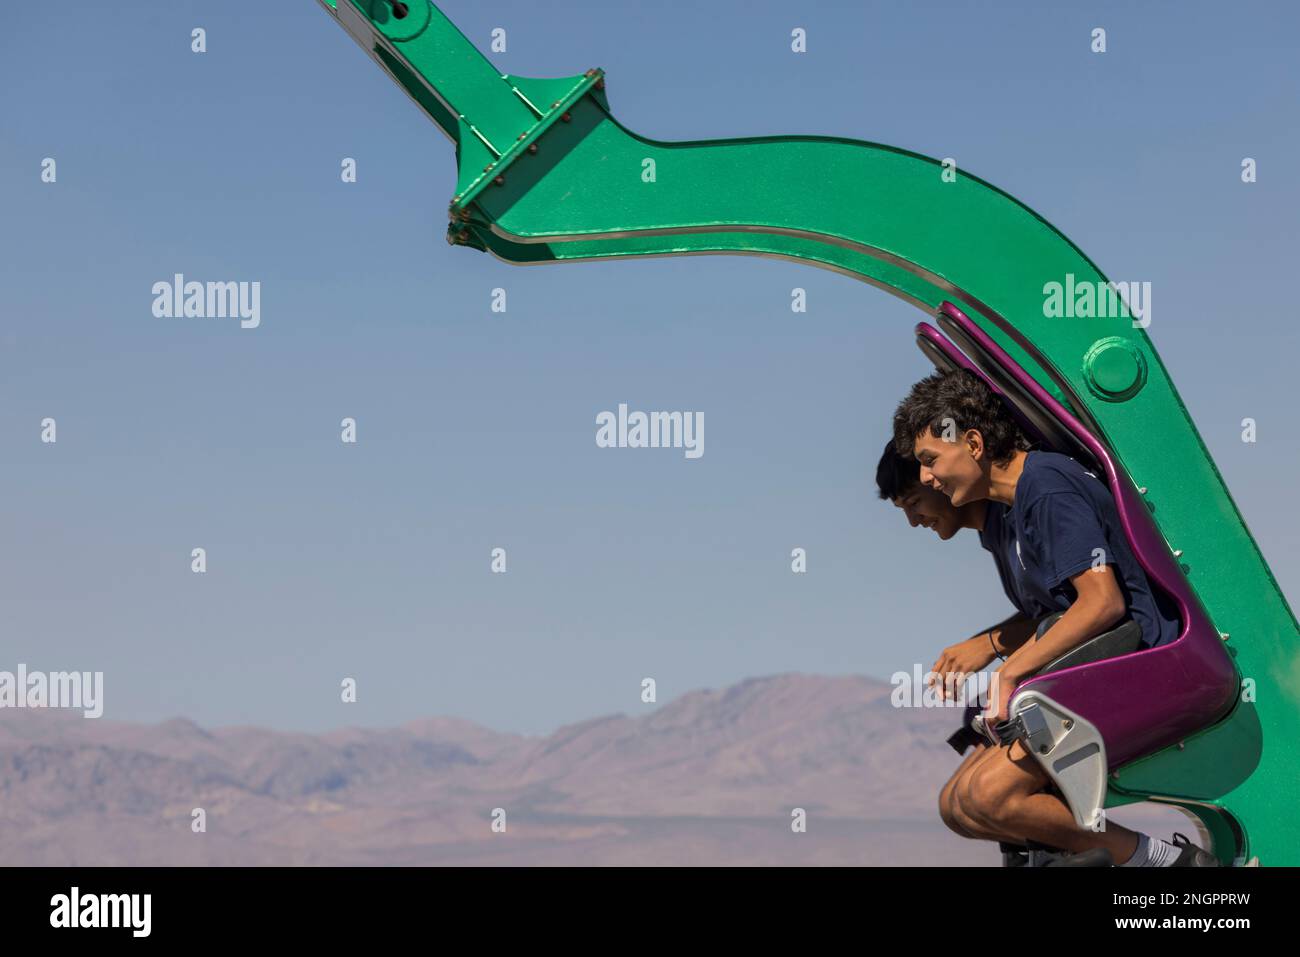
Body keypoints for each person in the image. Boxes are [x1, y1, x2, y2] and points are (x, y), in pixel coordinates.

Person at [891, 369, 1216, 867]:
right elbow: (1056, 614)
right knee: (958, 806)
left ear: (973, 443)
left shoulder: (1046, 487)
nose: (927, 478)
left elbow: (1102, 603)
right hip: (1096, 668)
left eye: (931, 461)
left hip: (1143, 669)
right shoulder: (1015, 503)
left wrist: (1011, 669)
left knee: (990, 798)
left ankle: (1165, 863)